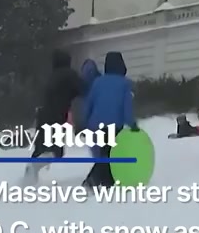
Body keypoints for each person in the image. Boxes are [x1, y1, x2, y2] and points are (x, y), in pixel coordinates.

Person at [24, 50, 86, 182]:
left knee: (42, 147)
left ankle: (30, 176)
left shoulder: (52, 76)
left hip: (43, 115)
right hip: (56, 117)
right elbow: (83, 89)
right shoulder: (69, 74)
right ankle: (34, 167)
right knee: (56, 152)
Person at [82, 51, 139, 188]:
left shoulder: (97, 82)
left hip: (94, 124)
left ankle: (108, 180)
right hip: (112, 125)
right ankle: (92, 181)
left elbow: (89, 103)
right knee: (108, 154)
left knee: (106, 152)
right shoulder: (126, 84)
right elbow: (127, 106)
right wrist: (132, 124)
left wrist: (85, 122)